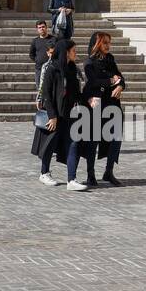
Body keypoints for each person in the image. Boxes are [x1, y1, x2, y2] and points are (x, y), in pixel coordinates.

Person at [84, 31, 124, 186]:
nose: (108, 45)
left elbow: (120, 77)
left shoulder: (110, 59)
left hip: (113, 103)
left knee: (116, 139)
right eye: (105, 42)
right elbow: (93, 82)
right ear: (97, 43)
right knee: (93, 140)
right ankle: (90, 174)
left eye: (109, 42)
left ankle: (109, 172)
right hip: (96, 103)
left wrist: (120, 85)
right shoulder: (89, 62)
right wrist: (110, 80)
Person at [60, 40, 98, 190]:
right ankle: (46, 172)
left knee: (74, 143)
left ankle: (72, 179)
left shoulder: (72, 68)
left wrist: (87, 99)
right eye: (74, 50)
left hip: (74, 112)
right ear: (66, 52)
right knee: (56, 146)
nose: (76, 53)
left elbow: (76, 93)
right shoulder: (56, 68)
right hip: (62, 113)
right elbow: (49, 93)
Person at [29, 35, 61, 184]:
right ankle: (44, 171)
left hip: (62, 107)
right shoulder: (47, 67)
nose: (51, 54)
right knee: (48, 139)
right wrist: (39, 98)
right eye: (50, 52)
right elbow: (43, 85)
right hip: (50, 107)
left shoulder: (65, 65)